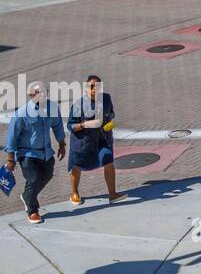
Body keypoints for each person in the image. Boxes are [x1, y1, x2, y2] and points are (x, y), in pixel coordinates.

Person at [4, 82, 66, 224]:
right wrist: (10, 159)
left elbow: (57, 125)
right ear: (31, 95)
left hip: (46, 152)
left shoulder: (52, 108)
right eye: (38, 93)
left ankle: (27, 196)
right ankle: (32, 210)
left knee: (48, 174)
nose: (42, 95)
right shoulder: (22, 113)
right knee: (33, 178)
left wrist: (62, 144)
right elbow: (12, 136)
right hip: (27, 154)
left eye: (44, 92)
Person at [66, 75, 123, 206]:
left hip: (102, 138)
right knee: (77, 166)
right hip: (83, 141)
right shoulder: (78, 105)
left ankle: (112, 194)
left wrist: (108, 122)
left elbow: (111, 112)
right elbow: (70, 125)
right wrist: (85, 125)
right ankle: (74, 192)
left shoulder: (106, 98)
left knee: (108, 160)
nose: (94, 89)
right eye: (91, 87)